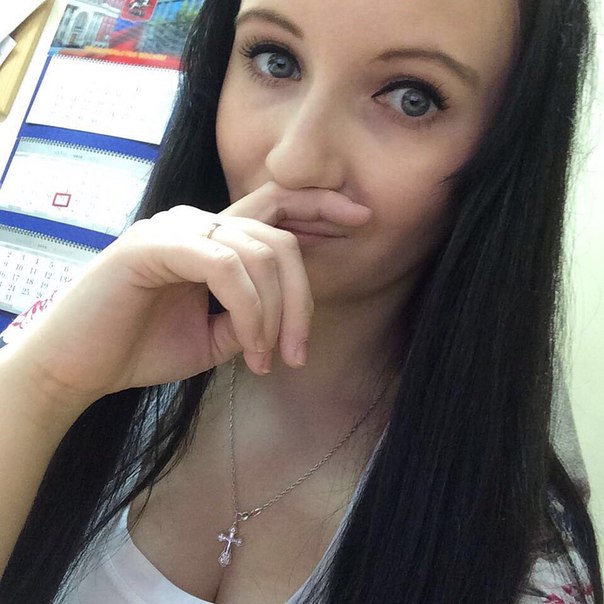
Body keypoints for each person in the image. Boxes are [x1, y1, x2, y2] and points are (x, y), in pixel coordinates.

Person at [0, 0, 601, 602]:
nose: (293, 160)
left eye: (411, 98)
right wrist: (47, 387)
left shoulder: (522, 562)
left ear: (508, 151)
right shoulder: (69, 338)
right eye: (276, 61)